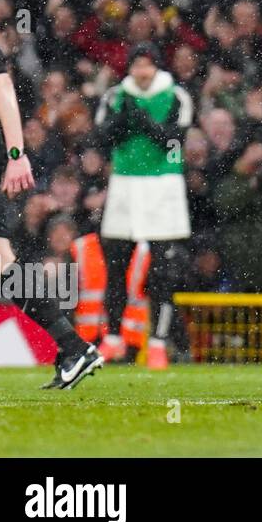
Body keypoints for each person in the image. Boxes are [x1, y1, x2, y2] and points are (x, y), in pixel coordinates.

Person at [0, 3, 102, 389]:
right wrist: (14, 153)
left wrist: (17, 155)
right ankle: (73, 346)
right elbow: (0, 83)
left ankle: (74, 347)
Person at [92, 43, 194, 368]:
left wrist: (146, 121)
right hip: (124, 184)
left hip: (164, 185)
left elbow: (174, 142)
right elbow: (101, 138)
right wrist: (124, 120)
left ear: (157, 68)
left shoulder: (177, 97)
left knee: (163, 272)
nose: (142, 72)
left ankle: (158, 343)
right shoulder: (114, 96)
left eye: (147, 65)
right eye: (137, 66)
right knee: (116, 265)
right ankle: (112, 339)